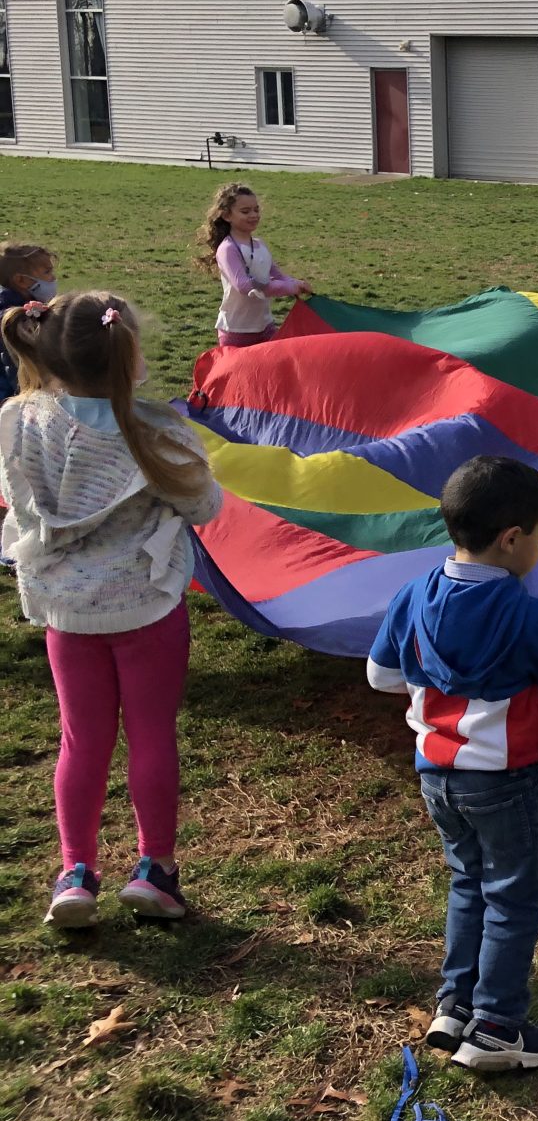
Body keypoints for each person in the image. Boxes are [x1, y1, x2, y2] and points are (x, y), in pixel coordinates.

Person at [367, 455, 538, 1073]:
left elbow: (380, 676)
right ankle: (496, 1027)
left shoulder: (413, 595)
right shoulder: (530, 615)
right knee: (513, 897)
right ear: (512, 539)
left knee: (467, 881)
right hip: (507, 779)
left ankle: (455, 1005)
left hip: (436, 775)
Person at [0, 292, 224, 928]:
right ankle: (155, 870)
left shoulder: (19, 419)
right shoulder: (157, 431)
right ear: (128, 354)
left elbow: (17, 499)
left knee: (81, 738)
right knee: (151, 734)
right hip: (146, 605)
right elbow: (205, 507)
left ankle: (76, 874)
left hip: (65, 609)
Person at [193, 182, 310, 347]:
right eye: (245, 211)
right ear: (226, 216)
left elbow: (277, 275)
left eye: (256, 210)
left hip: (265, 327)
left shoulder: (260, 245)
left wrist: (298, 284)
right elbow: (244, 286)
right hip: (236, 332)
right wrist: (288, 288)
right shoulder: (227, 249)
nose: (253, 215)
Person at [0, 241, 58, 402]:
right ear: (21, 280)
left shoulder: (29, 307)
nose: (53, 278)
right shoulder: (15, 321)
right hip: (12, 402)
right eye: (47, 272)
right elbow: (18, 370)